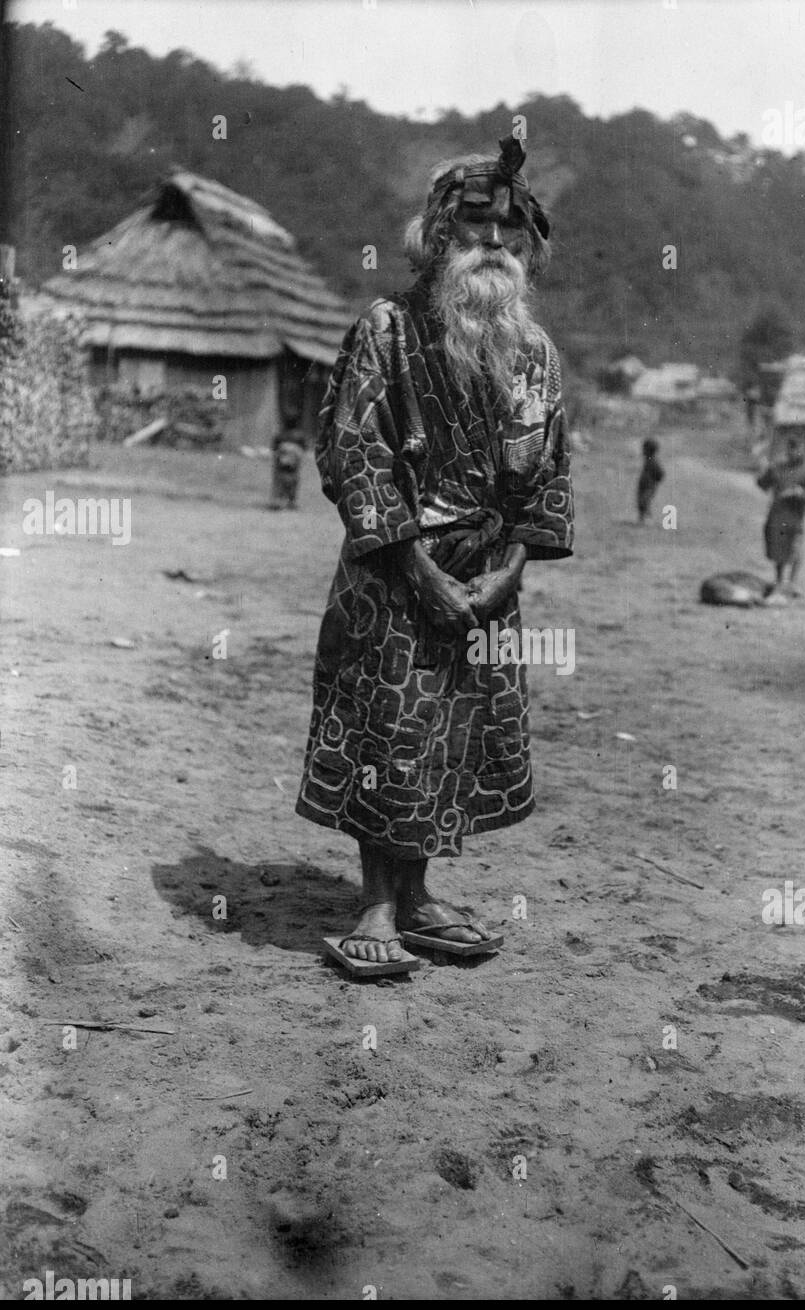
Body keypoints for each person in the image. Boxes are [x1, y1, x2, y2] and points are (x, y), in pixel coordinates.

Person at [296, 136, 573, 967]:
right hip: (392, 572)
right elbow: (356, 457)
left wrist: (506, 574)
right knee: (389, 731)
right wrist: (419, 569)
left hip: (488, 578)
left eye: (508, 228)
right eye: (474, 223)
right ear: (437, 235)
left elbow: (547, 478)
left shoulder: (535, 353)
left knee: (453, 734)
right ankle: (376, 908)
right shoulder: (384, 331)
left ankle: (418, 898)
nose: (494, 240)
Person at [757, 435, 805, 595]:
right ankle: (779, 581)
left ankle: (792, 583)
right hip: (778, 514)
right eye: (791, 449)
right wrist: (763, 470)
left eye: (797, 449)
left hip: (795, 515)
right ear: (788, 450)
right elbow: (763, 484)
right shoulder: (778, 467)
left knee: (795, 548)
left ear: (802, 451)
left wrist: (801, 492)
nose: (794, 453)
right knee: (778, 548)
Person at [269, 414, 307, 509]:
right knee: (293, 481)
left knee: (279, 481)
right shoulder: (299, 436)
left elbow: (274, 449)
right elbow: (304, 449)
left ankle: (278, 501)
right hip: (294, 463)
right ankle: (291, 501)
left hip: (281, 463)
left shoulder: (280, 435)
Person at [636, 437, 664, 523]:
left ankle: (646, 519)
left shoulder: (653, 461)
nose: (642, 451)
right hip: (644, 486)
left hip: (649, 487)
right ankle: (642, 519)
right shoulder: (648, 460)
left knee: (644, 502)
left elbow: (661, 473)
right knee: (641, 502)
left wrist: (653, 483)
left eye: (644, 449)